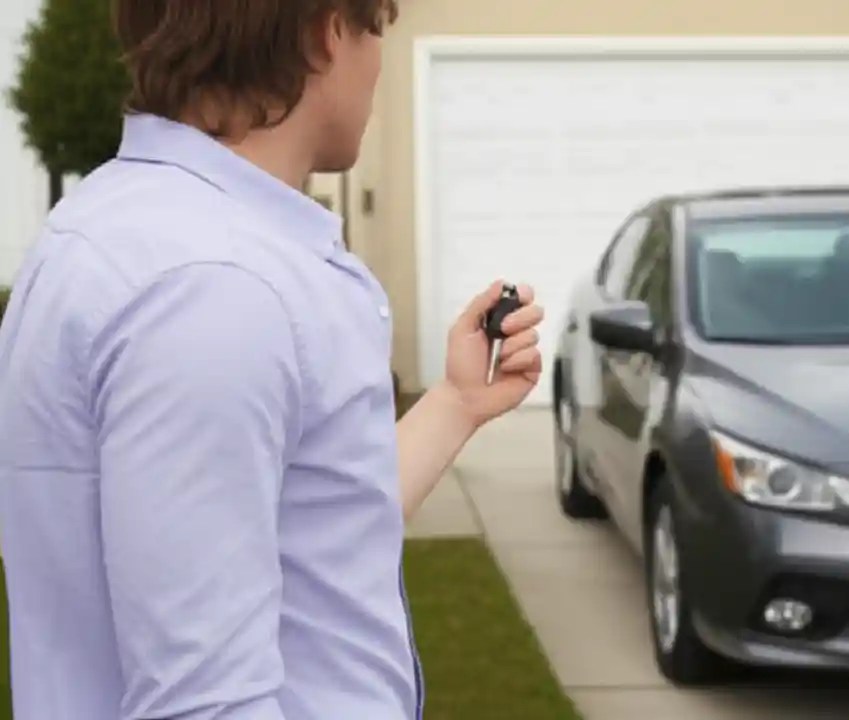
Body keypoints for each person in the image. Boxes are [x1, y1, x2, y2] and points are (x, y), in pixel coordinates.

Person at [0, 1, 544, 718]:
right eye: (375, 30)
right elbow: (203, 703)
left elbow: (313, 523)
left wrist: (454, 402)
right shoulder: (213, 289)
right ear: (326, 33)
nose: (379, 62)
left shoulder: (116, 228)